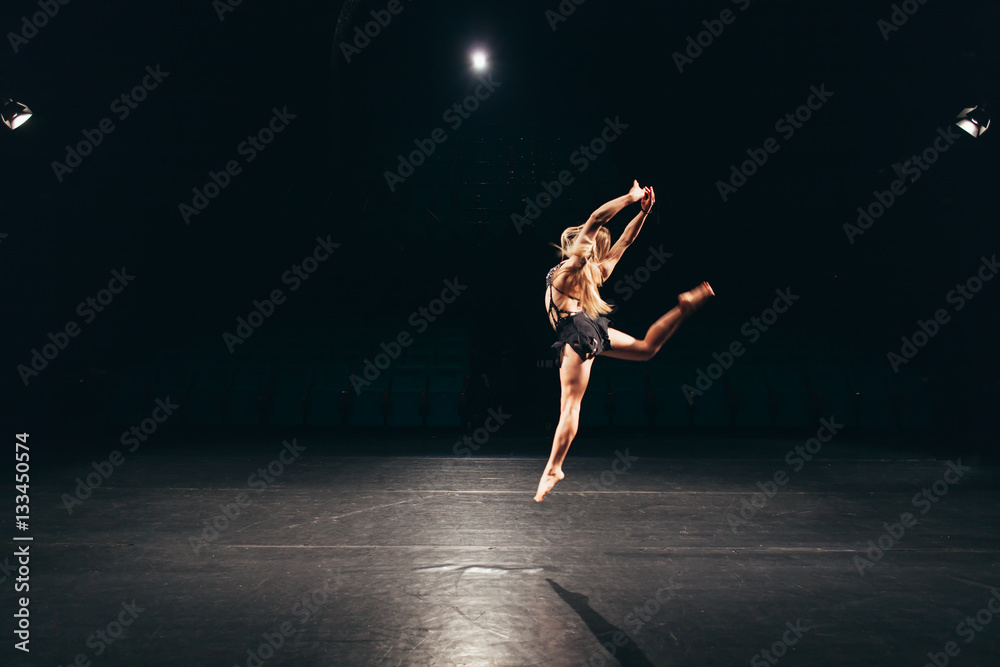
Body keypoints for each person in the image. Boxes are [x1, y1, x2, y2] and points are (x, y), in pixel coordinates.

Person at [535, 180, 714, 502]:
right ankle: (683, 308)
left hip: (577, 331)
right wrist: (643, 214)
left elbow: (596, 219)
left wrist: (630, 199)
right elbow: (626, 241)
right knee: (646, 349)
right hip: (588, 325)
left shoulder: (570, 269)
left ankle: (554, 467)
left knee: (570, 405)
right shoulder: (597, 273)